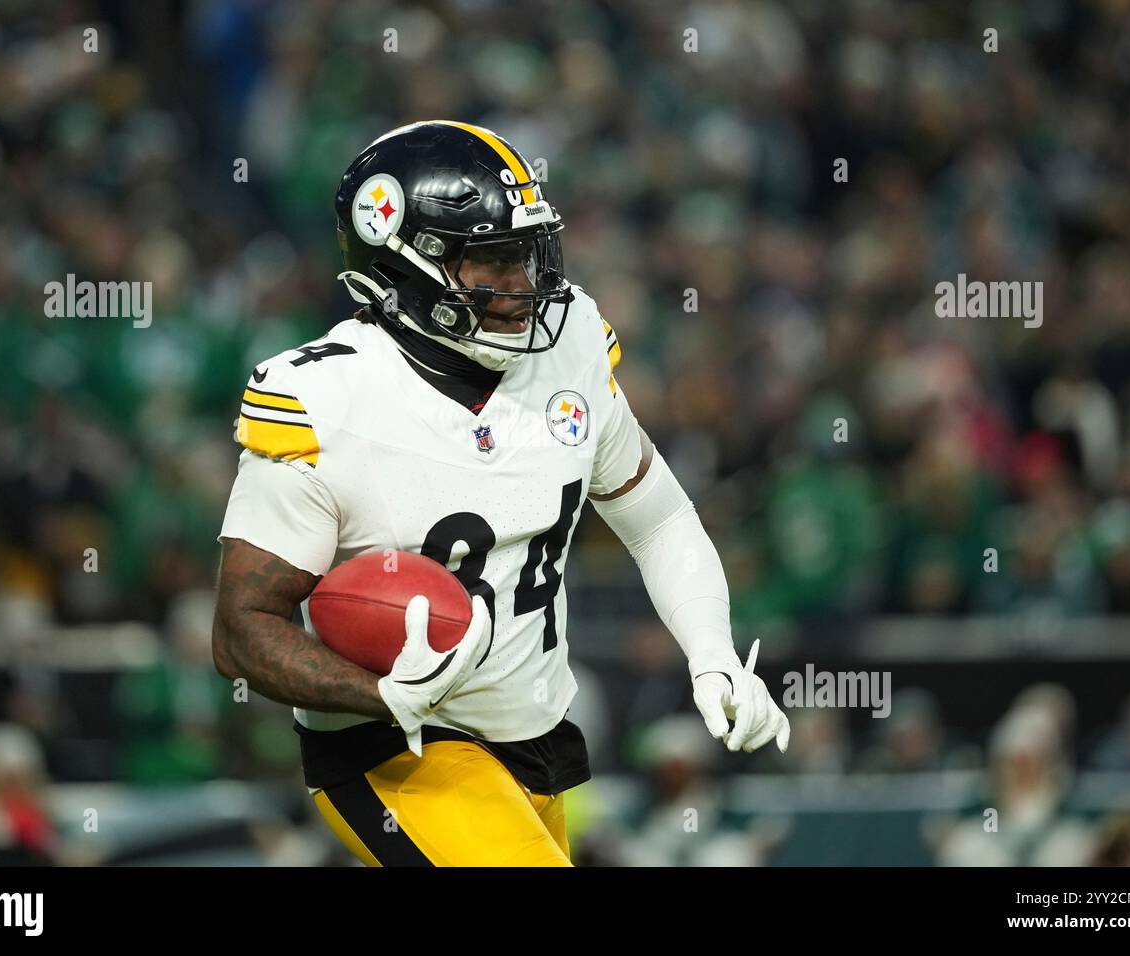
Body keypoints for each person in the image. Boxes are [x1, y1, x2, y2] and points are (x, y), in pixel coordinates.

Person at [211, 121, 789, 866]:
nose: (524, 286)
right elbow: (241, 628)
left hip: (540, 738)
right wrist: (379, 695)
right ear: (403, 261)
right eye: (491, 261)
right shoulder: (325, 397)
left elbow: (658, 519)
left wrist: (711, 655)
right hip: (395, 752)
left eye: (527, 254)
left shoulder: (570, 342)